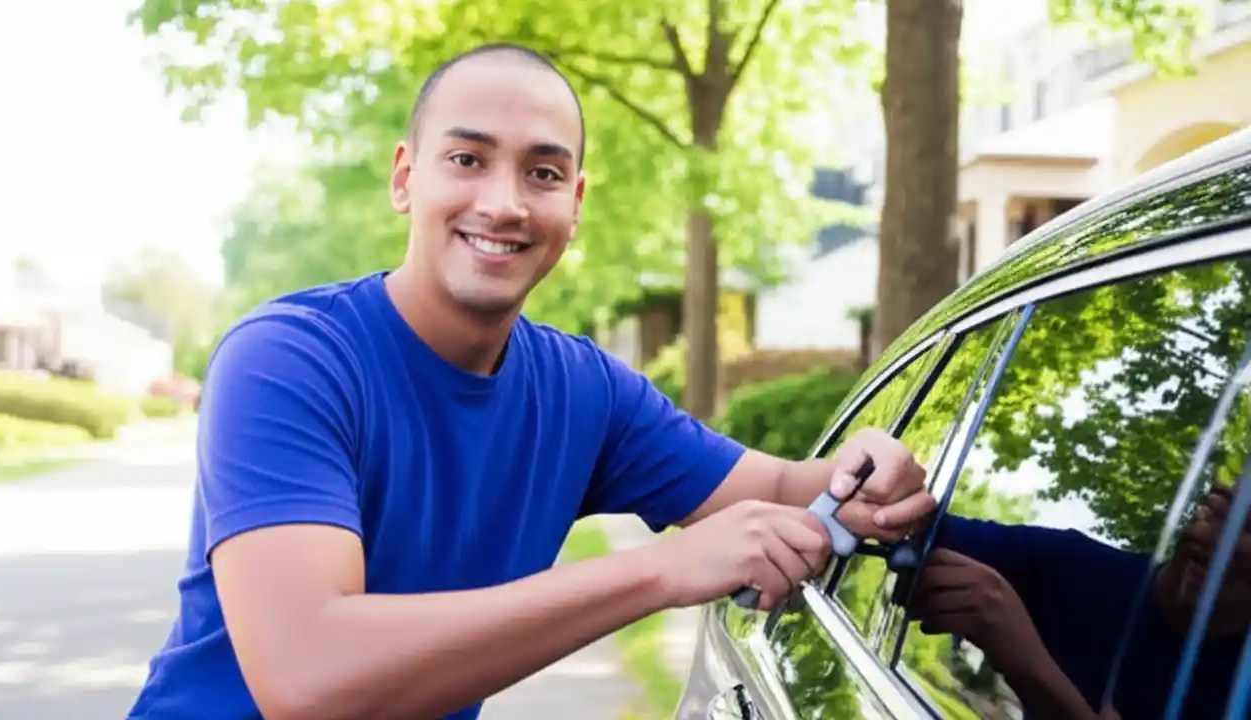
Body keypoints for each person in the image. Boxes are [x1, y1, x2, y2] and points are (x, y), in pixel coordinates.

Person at [127, 42, 936, 720]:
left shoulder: (585, 392)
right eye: (467, 160)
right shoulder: (288, 359)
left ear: (574, 203)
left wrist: (865, 478)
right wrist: (660, 573)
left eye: (543, 173)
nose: (504, 203)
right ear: (406, 177)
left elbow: (783, 489)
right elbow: (308, 676)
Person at [910, 482, 1250, 719]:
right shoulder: (1075, 568)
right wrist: (889, 473)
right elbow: (918, 529)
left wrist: (1027, 665)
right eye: (1225, 510)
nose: (1222, 538)